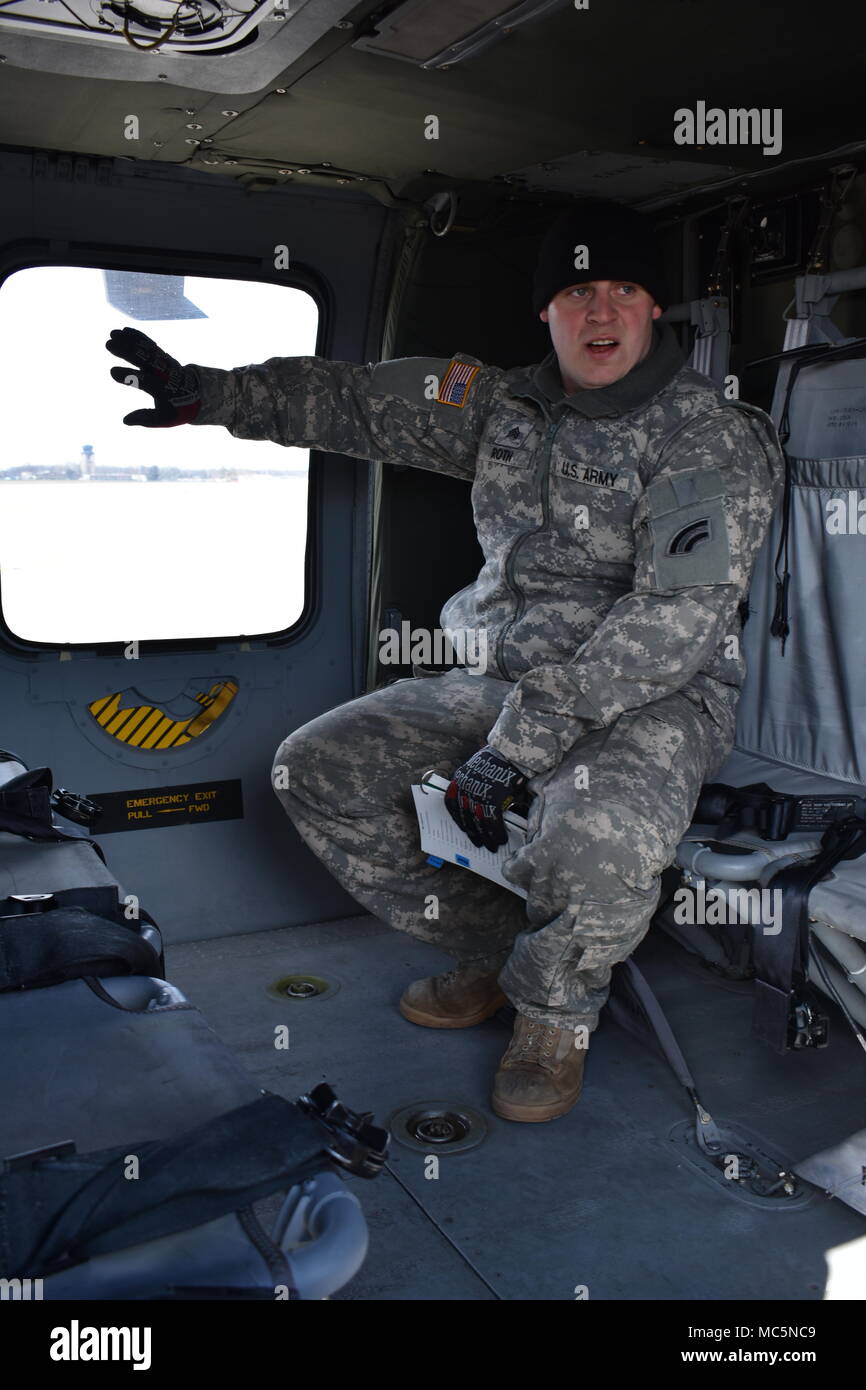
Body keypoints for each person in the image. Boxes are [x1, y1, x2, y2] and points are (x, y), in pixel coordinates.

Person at [106, 198, 785, 1123]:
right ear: (544, 312)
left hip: (654, 695)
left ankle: (556, 1014)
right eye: (577, 293)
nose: (601, 314)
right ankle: (505, 953)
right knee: (318, 769)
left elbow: (676, 617)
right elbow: (361, 402)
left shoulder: (706, 433)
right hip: (502, 677)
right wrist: (212, 396)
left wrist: (520, 749)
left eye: (624, 291)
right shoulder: (506, 408)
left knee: (594, 846)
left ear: (653, 309)